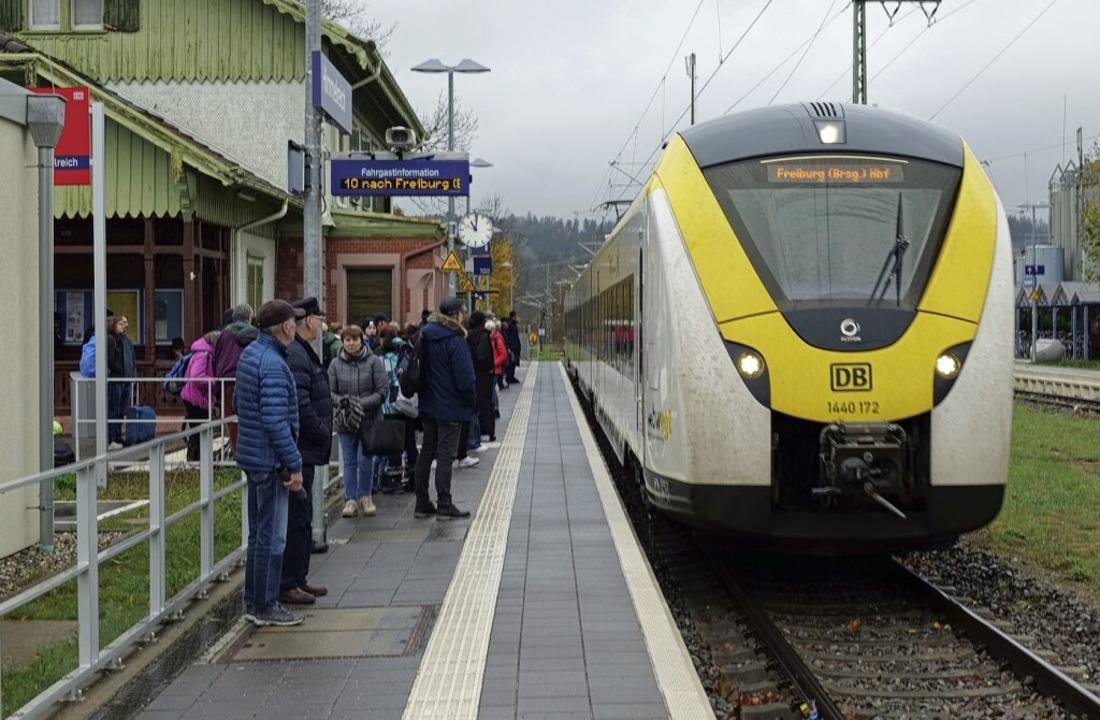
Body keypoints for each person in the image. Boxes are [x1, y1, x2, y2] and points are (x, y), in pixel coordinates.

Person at [235, 299, 306, 627]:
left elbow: (239, 403)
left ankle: (253, 600)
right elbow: (278, 422)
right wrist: (294, 464)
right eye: (294, 322)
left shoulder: (250, 355)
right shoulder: (275, 365)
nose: (297, 326)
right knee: (273, 537)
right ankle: (265, 604)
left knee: (257, 535)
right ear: (287, 327)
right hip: (271, 461)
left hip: (253, 457)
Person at [280, 297, 333, 606]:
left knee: (303, 517)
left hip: (308, 449)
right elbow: (301, 403)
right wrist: (321, 430)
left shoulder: (302, 352)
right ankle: (289, 583)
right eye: (320, 320)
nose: (322, 326)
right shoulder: (299, 355)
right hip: (304, 447)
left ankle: (298, 578)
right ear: (310, 321)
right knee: (298, 518)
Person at [412, 297, 476, 520]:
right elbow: (465, 379)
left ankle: (421, 502)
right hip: (450, 407)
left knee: (427, 451)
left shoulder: (425, 335)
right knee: (446, 455)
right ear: (457, 315)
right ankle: (444, 503)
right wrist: (470, 401)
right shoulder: (455, 340)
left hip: (428, 404)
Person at [328, 324, 388, 518]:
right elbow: (330, 392)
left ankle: (366, 496)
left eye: (354, 339)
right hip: (345, 419)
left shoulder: (374, 362)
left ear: (361, 340)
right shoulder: (335, 365)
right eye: (347, 340)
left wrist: (360, 404)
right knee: (349, 461)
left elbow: (382, 391)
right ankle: (350, 500)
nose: (351, 343)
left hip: (369, 419)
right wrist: (343, 402)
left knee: (365, 459)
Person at [212, 303, 257, 456]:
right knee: (250, 418)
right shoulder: (254, 333)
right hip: (247, 379)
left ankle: (236, 453)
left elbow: (216, 357)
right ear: (249, 317)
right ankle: (249, 453)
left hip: (227, 381)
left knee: (231, 420)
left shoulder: (223, 334)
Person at [179, 331, 217, 462]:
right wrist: (214, 381)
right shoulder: (203, 355)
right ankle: (194, 460)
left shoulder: (200, 353)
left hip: (195, 397)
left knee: (198, 430)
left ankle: (196, 459)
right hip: (196, 398)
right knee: (198, 431)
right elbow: (197, 377)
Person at [106, 315, 136, 450]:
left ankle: (118, 436)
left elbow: (132, 359)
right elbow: (110, 360)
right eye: (121, 323)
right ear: (114, 324)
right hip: (117, 379)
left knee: (120, 411)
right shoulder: (111, 339)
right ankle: (111, 438)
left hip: (126, 380)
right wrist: (120, 370)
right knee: (114, 410)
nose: (125, 325)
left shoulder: (127, 341)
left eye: (126, 322)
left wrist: (132, 376)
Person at [488, 319, 507, 417]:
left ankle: (495, 408)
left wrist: (494, 363)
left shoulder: (497, 339)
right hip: (493, 368)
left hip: (495, 368)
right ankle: (494, 408)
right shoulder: (492, 339)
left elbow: (503, 354)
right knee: (492, 389)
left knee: (492, 389)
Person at [504, 310, 522, 385]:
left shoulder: (512, 324)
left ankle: (511, 376)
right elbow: (512, 337)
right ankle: (510, 377)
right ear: (513, 316)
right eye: (515, 316)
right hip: (512, 347)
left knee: (513, 362)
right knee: (512, 362)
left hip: (514, 347)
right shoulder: (511, 325)